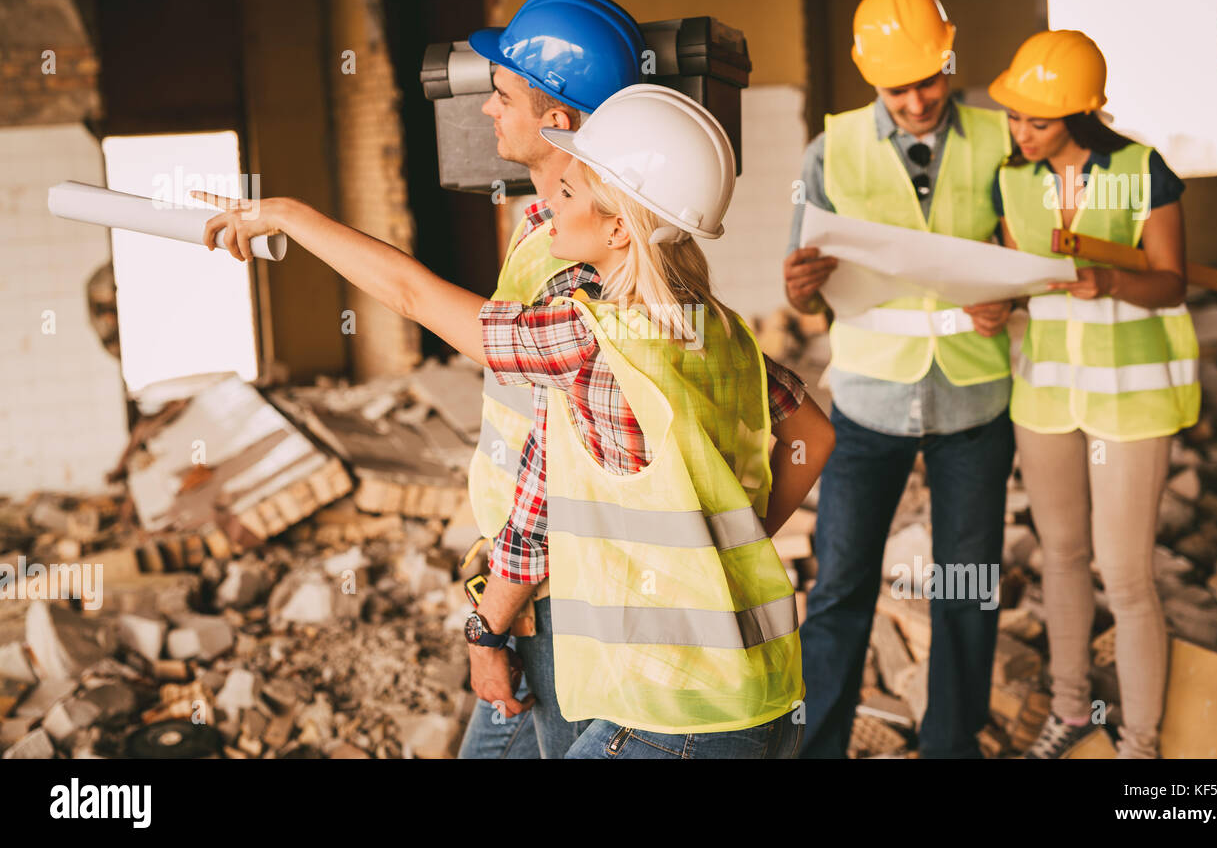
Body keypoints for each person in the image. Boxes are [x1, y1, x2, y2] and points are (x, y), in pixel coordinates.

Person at [196, 84, 834, 757]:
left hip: (675, 709)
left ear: (620, 227)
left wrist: (289, 216)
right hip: (757, 693)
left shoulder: (587, 336)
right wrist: (720, 546)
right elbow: (814, 436)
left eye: (571, 191)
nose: (549, 204)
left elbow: (411, 294)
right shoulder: (720, 328)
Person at [783, 0, 1016, 759]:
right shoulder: (830, 151)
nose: (917, 101)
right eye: (897, 87)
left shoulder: (999, 141)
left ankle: (953, 745)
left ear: (950, 59)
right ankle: (819, 747)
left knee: (964, 588)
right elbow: (810, 292)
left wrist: (1009, 297)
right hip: (866, 402)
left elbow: (1034, 256)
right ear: (866, 77)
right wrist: (801, 293)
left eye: (930, 79)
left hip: (974, 399)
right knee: (841, 589)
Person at [986, 29, 1199, 759]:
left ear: (1081, 114)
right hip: (1047, 396)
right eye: (1015, 116)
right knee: (1061, 556)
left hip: (1130, 402)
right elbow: (1018, 284)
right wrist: (994, 305)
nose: (1021, 131)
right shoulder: (1011, 178)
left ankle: (1140, 744)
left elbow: (1171, 281)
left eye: (1037, 120)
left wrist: (1110, 279)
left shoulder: (1144, 171)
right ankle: (1073, 709)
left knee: (1127, 576)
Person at [458, 0, 647, 759]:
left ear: (560, 121)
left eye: (502, 95)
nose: (485, 110)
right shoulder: (541, 228)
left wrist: (488, 621)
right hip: (528, 581)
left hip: (559, 595)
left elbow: (550, 477)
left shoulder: (578, 270)